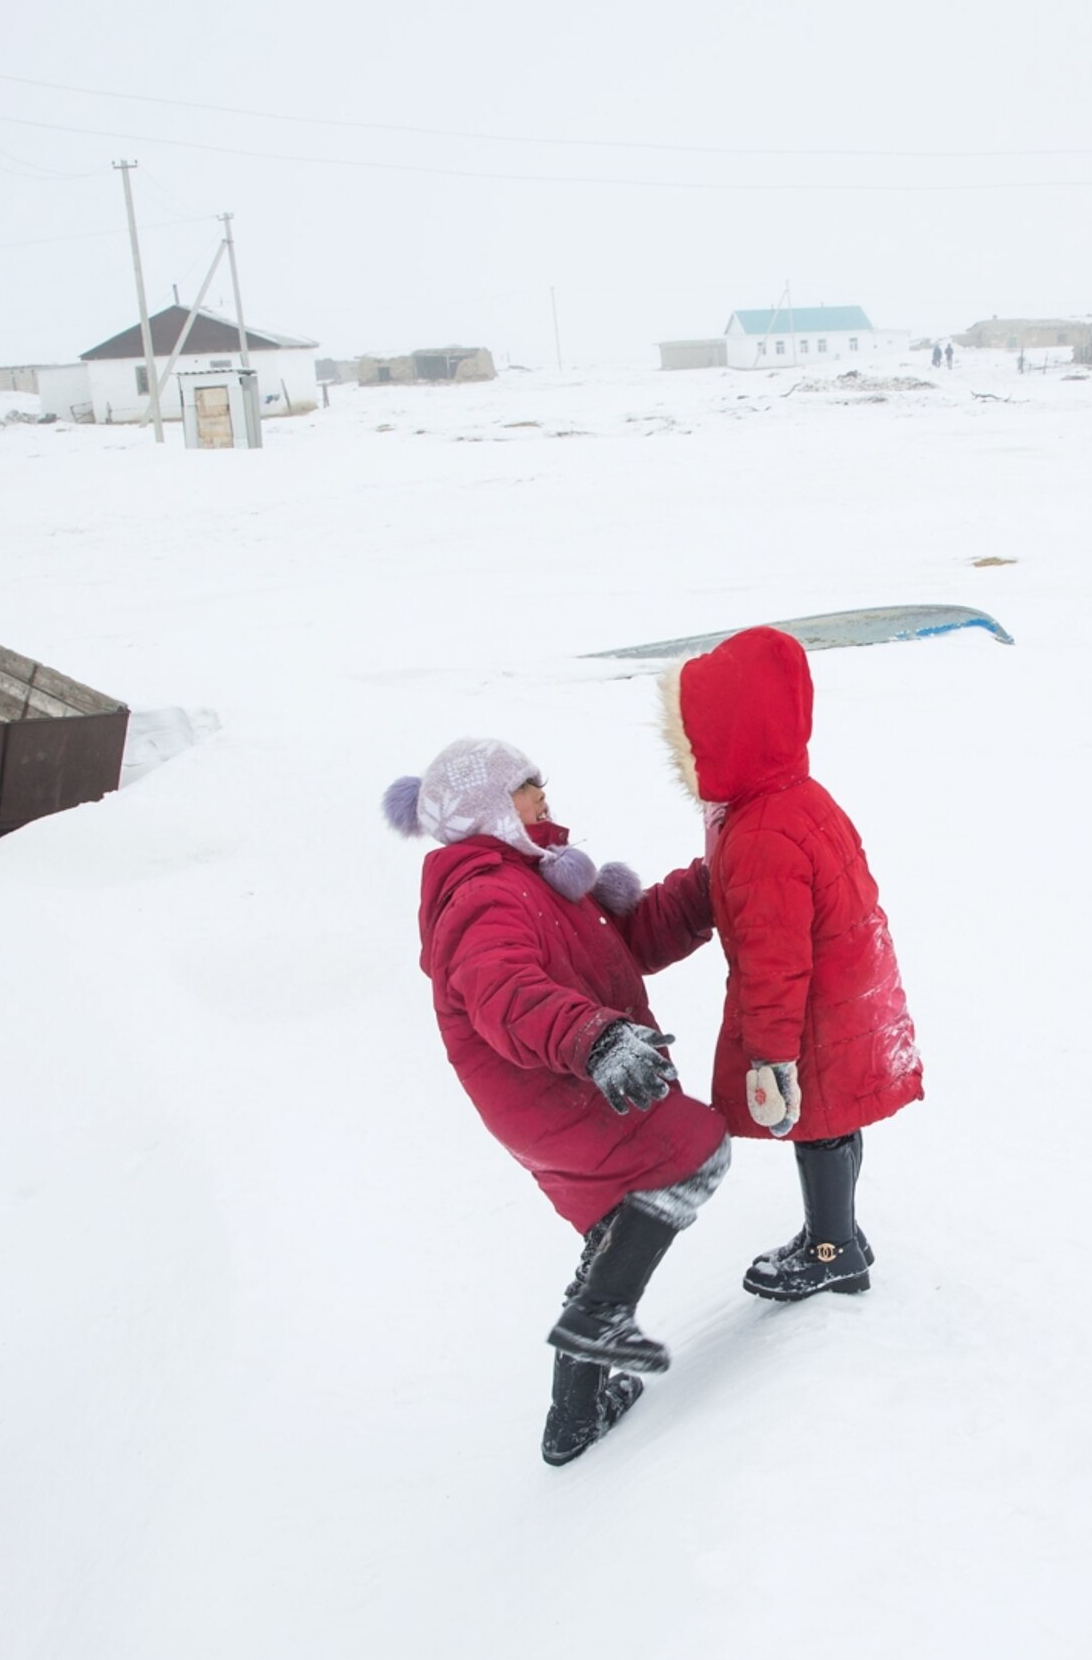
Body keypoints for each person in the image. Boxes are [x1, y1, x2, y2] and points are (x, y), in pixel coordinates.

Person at [387, 738, 729, 1464]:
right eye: (524, 784)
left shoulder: (535, 878)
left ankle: (575, 1413)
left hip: (560, 1084)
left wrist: (707, 888)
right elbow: (506, 994)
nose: (542, 791)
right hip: (551, 1087)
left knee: (619, 1220)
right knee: (694, 1152)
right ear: (486, 807)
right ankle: (598, 1318)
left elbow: (629, 941)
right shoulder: (485, 894)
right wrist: (595, 1040)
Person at [658, 627, 922, 1303]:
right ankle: (840, 1233)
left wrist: (771, 1060)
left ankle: (832, 1250)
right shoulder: (795, 796)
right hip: (845, 990)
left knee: (819, 1123)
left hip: (814, 1010)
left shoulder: (761, 834)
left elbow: (773, 960)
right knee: (834, 1121)